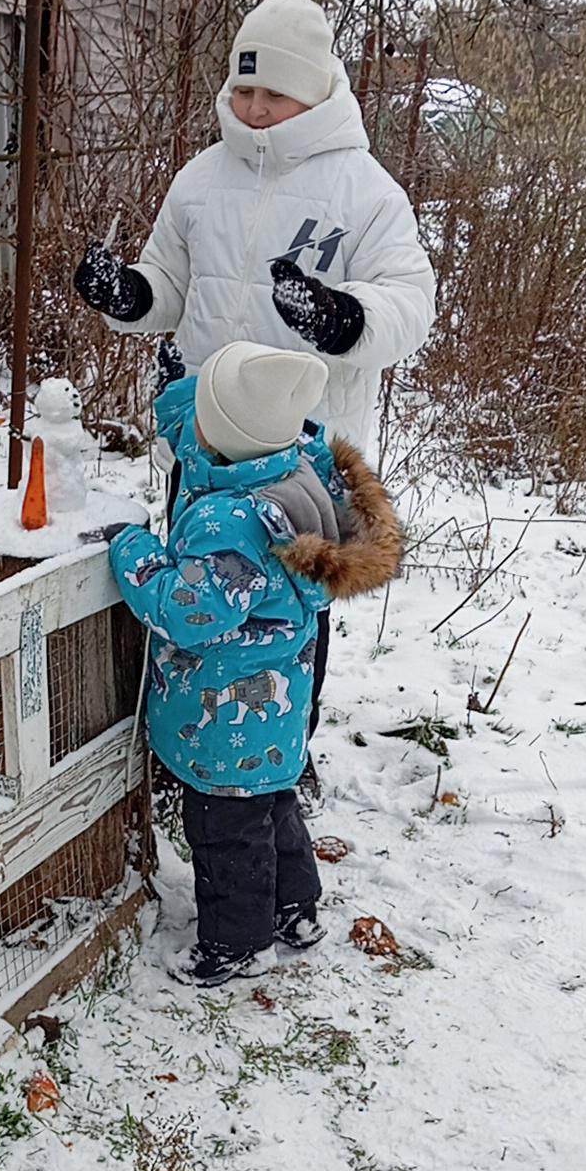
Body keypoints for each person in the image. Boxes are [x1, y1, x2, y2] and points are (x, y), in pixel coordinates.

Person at [74, 0, 433, 807]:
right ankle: (191, 746)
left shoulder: (364, 191)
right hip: (206, 439)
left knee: (290, 609)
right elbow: (169, 284)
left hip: (302, 452)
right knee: (199, 598)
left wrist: (346, 319)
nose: (255, 106)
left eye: (273, 91)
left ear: (315, 92)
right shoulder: (201, 179)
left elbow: (412, 303)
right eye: (243, 90)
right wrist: (127, 294)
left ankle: (283, 758)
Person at [99, 341, 402, 987]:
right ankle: (296, 909)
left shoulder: (229, 526)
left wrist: (134, 550)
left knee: (226, 830)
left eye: (205, 409)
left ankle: (237, 943)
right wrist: (187, 387)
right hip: (277, 716)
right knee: (273, 806)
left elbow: (185, 610)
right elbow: (209, 426)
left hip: (224, 719)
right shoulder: (293, 473)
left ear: (224, 435)